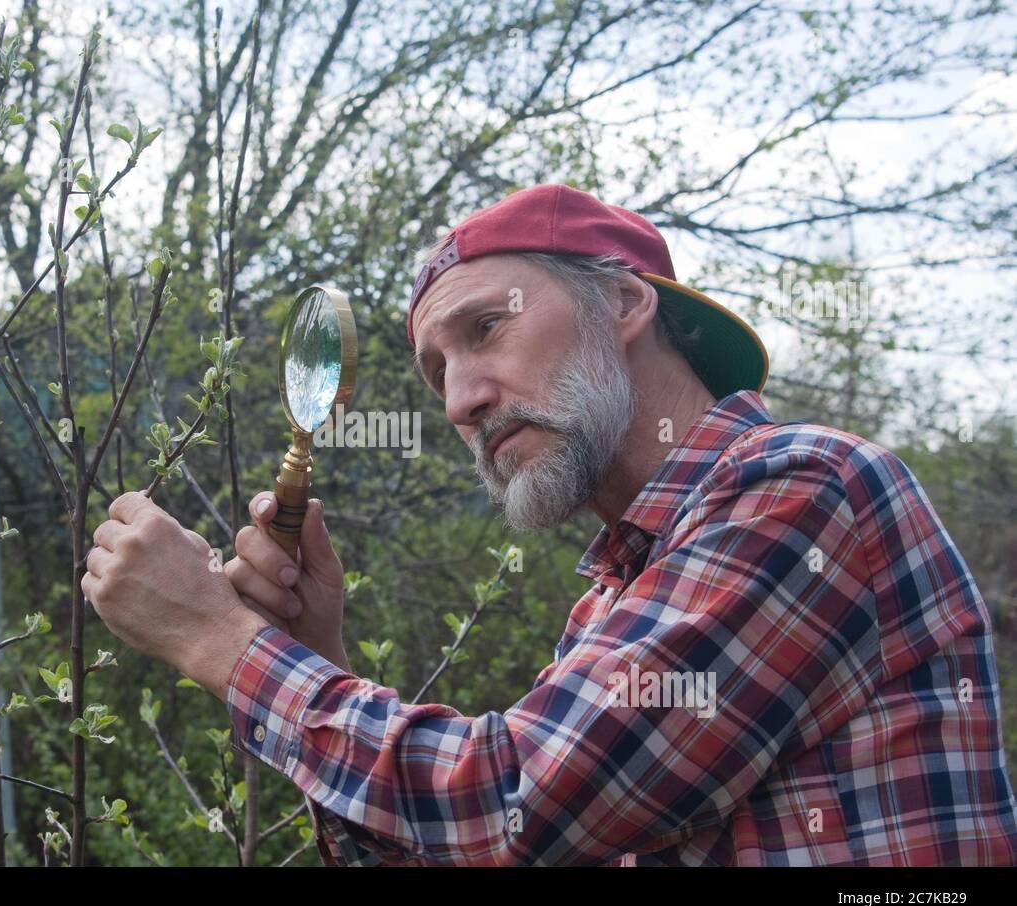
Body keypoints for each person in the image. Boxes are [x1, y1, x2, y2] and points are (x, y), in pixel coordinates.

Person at [82, 184, 1017, 865]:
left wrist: (220, 639)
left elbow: (514, 804)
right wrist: (311, 659)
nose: (458, 401)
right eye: (434, 371)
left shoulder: (808, 488)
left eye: (486, 330)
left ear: (624, 304)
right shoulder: (613, 599)